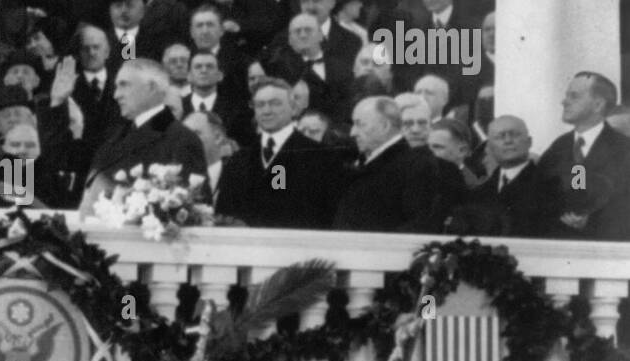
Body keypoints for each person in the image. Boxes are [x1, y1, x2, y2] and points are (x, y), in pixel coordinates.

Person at [78, 58, 206, 212]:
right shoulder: (116, 135)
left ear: (151, 88)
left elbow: (191, 209)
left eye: (124, 85)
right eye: (116, 86)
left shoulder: (180, 138)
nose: (116, 95)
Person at [215, 78, 343, 229]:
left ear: (293, 108)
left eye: (275, 103)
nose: (267, 110)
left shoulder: (321, 157)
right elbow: (225, 214)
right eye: (260, 105)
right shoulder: (238, 160)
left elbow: (328, 215)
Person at [536, 72, 630, 241]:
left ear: (598, 104)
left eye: (574, 96)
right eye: (566, 96)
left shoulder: (625, 149)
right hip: (558, 248)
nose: (564, 102)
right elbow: (538, 198)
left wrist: (592, 219)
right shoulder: (558, 147)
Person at [333, 95, 448, 232]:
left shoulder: (417, 166)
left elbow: (418, 225)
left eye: (360, 124)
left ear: (385, 126)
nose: (353, 132)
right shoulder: (367, 161)